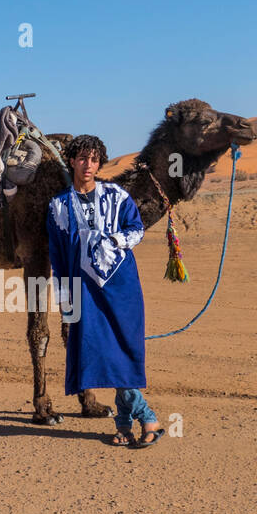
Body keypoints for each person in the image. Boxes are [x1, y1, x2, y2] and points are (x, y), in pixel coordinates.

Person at [46, 134, 164, 448]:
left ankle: (136, 420)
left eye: (94, 160)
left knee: (122, 352)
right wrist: (64, 302)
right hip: (84, 292)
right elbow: (57, 259)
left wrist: (112, 241)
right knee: (101, 355)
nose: (88, 165)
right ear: (71, 160)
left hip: (122, 288)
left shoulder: (116, 196)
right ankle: (133, 422)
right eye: (83, 158)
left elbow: (136, 229)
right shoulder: (58, 207)